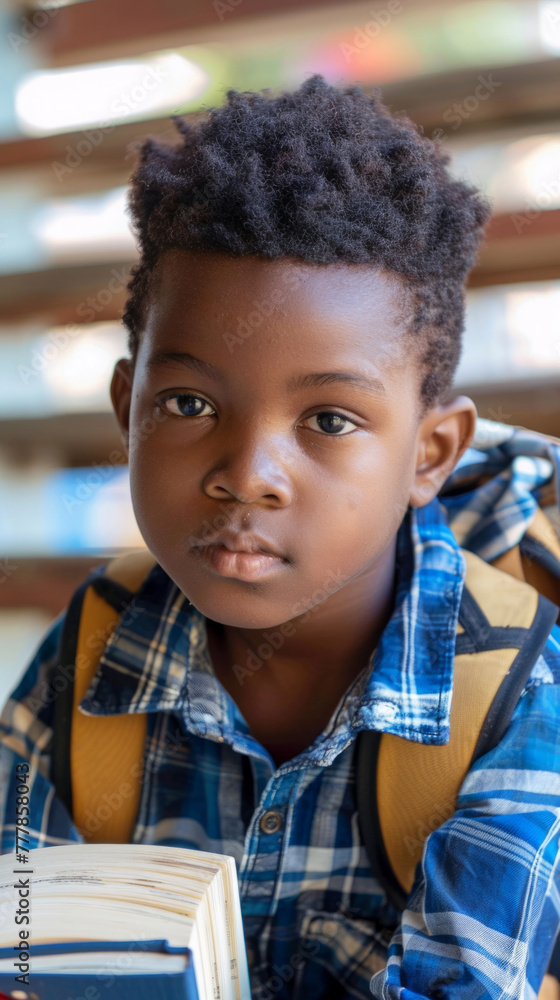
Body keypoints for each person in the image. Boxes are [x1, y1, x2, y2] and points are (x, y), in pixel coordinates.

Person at [1, 76, 560, 999]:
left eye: (330, 420)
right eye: (189, 404)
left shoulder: (514, 702)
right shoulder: (95, 646)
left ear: (429, 454)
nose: (247, 473)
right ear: (124, 411)